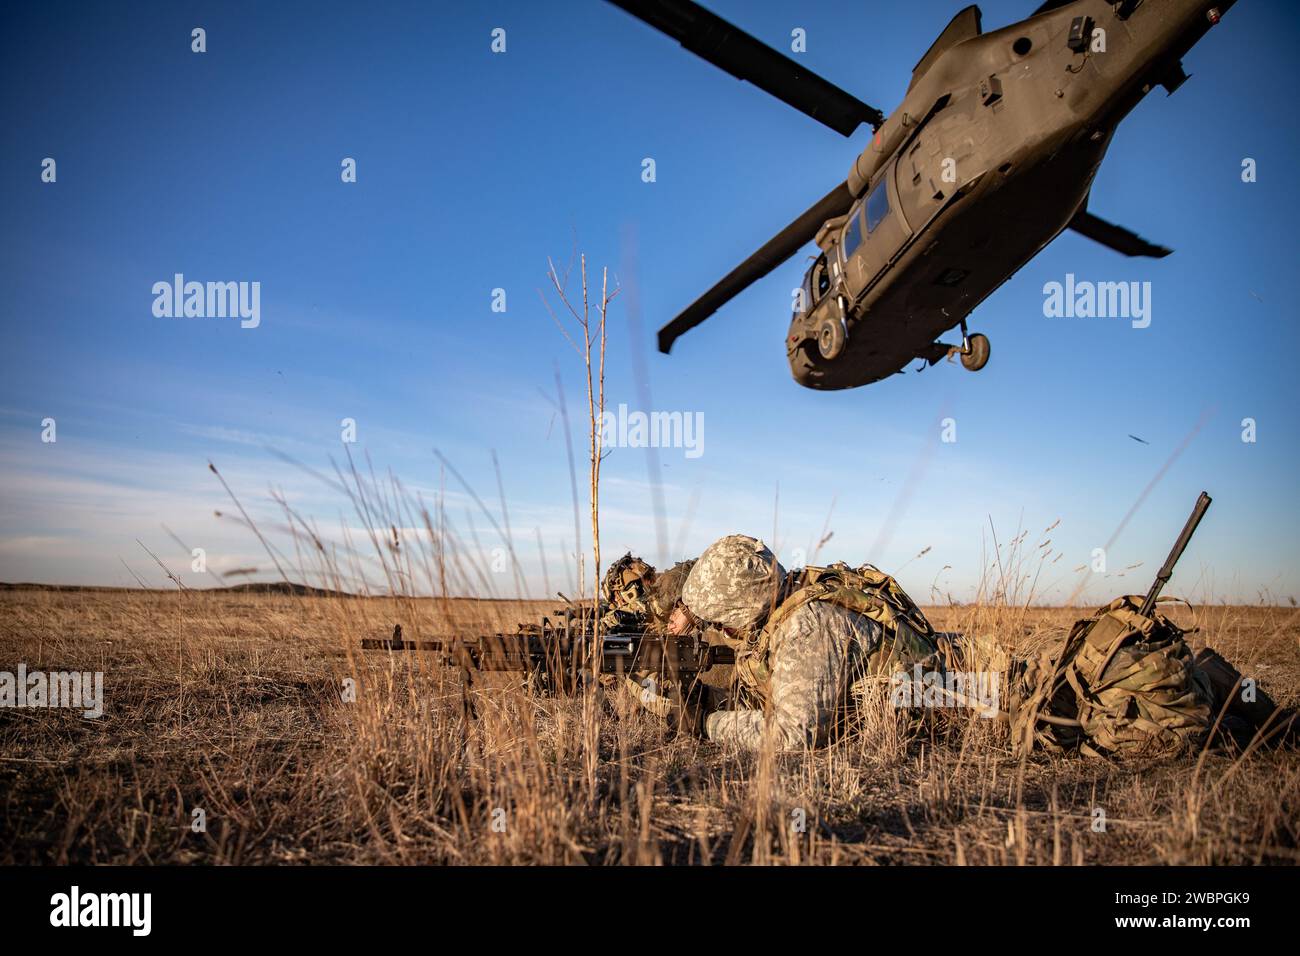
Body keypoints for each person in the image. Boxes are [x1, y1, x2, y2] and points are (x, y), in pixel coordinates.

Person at [679, 533, 940, 750]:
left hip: (961, 686)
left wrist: (707, 724)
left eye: (720, 622)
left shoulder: (805, 626)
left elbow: (793, 734)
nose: (721, 630)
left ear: (740, 609)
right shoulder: (771, 622)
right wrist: (710, 699)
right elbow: (773, 701)